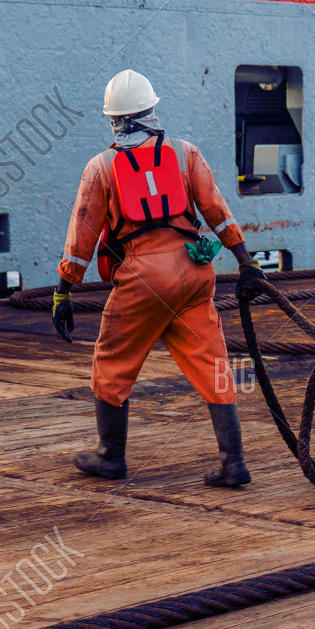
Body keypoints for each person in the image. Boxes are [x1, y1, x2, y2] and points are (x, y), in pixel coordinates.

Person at [51, 70, 268, 486]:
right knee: (213, 364)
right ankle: (234, 462)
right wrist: (246, 263)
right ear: (151, 109)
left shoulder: (101, 167)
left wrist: (63, 293)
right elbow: (217, 212)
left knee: (113, 363)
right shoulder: (186, 153)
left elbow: (80, 239)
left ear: (113, 118)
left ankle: (110, 457)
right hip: (194, 272)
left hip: (142, 277)